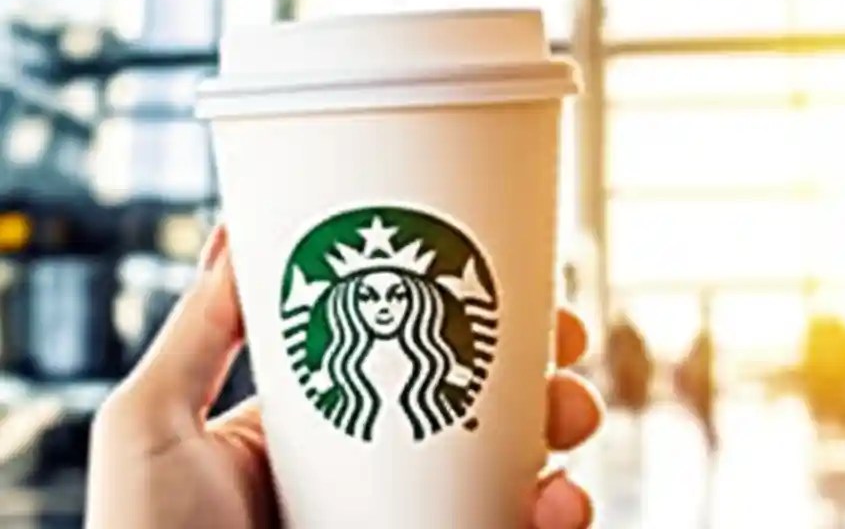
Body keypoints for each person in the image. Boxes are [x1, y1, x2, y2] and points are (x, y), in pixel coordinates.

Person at [85, 226, 601, 529]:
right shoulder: (342, 388)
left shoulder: (432, 377)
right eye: (368, 297)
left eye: (397, 295)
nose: (383, 308)